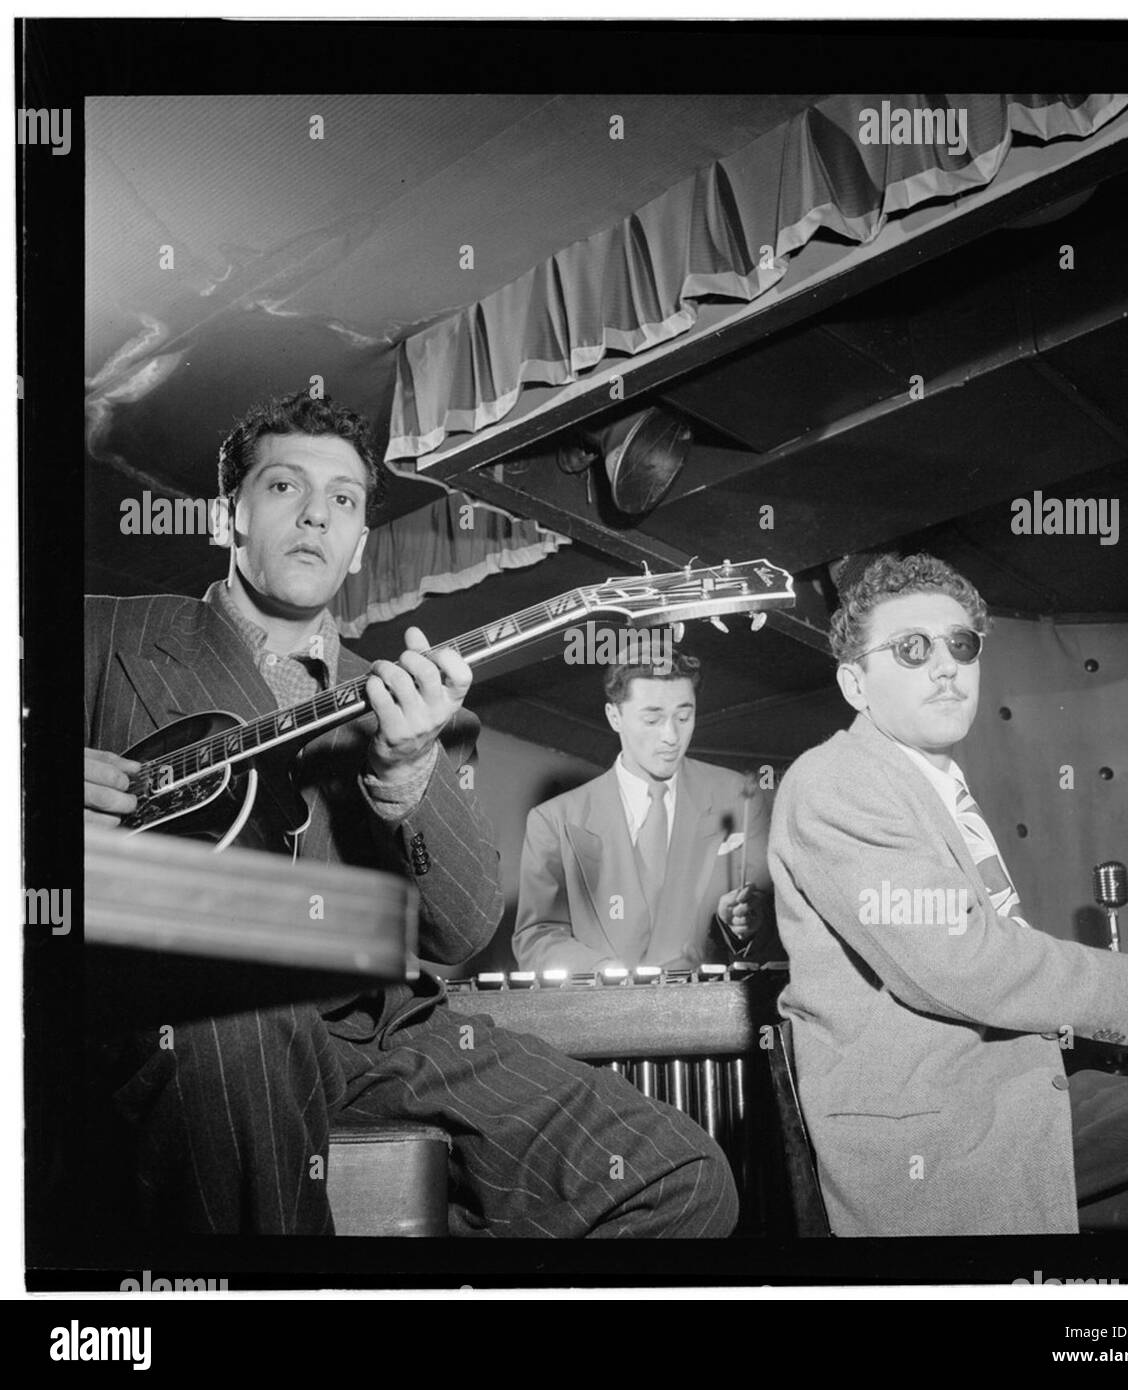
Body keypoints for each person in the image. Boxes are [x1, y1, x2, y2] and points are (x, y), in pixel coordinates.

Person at [83, 389, 738, 1238]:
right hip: (178, 1019)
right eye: (284, 488)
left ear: (359, 548)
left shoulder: (430, 716)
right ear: (230, 515)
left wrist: (405, 774)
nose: (317, 516)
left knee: (683, 1181)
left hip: (377, 1032)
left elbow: (458, 933)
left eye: (345, 502)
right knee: (234, 1019)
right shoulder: (95, 638)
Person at [769, 552, 1128, 1237]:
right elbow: (964, 963)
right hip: (939, 1139)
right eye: (909, 649)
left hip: (999, 1096)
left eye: (960, 645)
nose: (945, 666)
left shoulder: (931, 780)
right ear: (854, 684)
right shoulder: (836, 780)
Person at [514, 652, 775, 974]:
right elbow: (536, 938)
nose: (671, 737)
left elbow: (774, 923)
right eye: (652, 720)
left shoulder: (740, 797)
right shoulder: (553, 819)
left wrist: (737, 928)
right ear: (614, 716)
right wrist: (603, 971)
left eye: (683, 717)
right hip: (602, 1014)